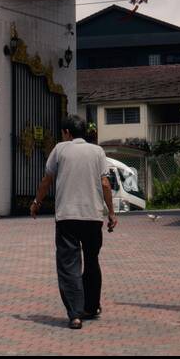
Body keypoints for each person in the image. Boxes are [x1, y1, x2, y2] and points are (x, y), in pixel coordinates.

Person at [31, 116, 117, 329]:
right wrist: (112, 213)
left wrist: (36, 202)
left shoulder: (60, 150)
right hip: (92, 217)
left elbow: (47, 179)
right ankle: (91, 306)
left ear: (67, 132)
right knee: (91, 260)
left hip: (67, 217)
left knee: (69, 265)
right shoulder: (97, 151)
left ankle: (75, 314)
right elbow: (105, 183)